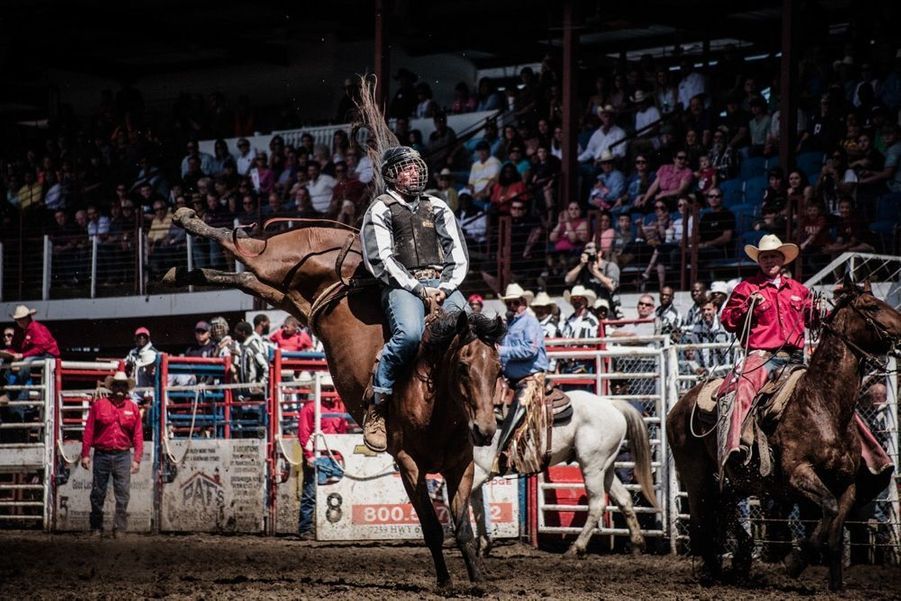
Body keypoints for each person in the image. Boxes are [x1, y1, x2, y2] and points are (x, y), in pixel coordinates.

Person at [360, 145, 469, 452]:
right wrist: (419, 289)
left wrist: (445, 288)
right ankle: (378, 405)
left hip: (442, 283)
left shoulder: (437, 205)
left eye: (415, 167)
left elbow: (457, 254)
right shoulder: (380, 209)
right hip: (401, 285)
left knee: (471, 332)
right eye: (406, 168)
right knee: (408, 335)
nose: (414, 173)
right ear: (392, 175)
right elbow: (380, 259)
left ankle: (486, 404)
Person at [719, 234, 818, 466]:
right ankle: (735, 444)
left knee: (831, 389)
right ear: (758, 261)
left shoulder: (799, 290)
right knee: (743, 386)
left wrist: (820, 310)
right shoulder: (746, 289)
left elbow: (814, 320)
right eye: (764, 257)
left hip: (796, 358)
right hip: (763, 357)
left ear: (783, 259)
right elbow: (728, 321)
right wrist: (746, 306)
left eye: (773, 256)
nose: (769, 260)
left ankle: (867, 455)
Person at [81, 371, 143, 537]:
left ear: (126, 388)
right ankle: (96, 527)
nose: (120, 388)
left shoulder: (133, 408)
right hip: (102, 453)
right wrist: (85, 454)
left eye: (123, 385)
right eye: (117, 385)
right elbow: (89, 430)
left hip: (123, 454)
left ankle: (120, 527)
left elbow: (138, 435)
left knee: (123, 493)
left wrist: (136, 459)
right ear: (112, 387)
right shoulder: (99, 405)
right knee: (98, 492)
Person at [297, 376, 348, 539]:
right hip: (318, 457)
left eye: (330, 389)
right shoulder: (310, 408)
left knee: (335, 491)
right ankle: (305, 528)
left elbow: (342, 433)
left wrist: (341, 456)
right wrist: (309, 456)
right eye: (325, 389)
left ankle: (331, 527)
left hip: (333, 458)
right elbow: (303, 433)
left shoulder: (338, 409)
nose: (328, 392)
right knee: (310, 493)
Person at [0, 305, 60, 406]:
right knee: (6, 361)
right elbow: (15, 347)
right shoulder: (19, 330)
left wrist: (22, 354)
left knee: (26, 363)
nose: (19, 322)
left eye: (21, 319)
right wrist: (7, 353)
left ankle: (10, 394)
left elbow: (41, 347)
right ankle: (6, 391)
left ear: (28, 317)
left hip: (48, 354)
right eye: (18, 320)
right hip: (33, 354)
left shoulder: (36, 328)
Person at [563, 241, 619, 308]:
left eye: (591, 252)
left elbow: (613, 286)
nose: (589, 255)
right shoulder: (583, 267)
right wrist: (581, 265)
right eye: (586, 253)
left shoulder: (610, 266)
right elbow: (567, 280)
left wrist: (595, 272)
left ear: (599, 253)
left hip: (606, 309)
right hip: (589, 310)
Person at [124, 326, 157, 407]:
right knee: (129, 406)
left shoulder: (152, 352)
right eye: (139, 336)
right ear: (135, 338)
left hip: (150, 388)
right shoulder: (133, 352)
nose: (142, 338)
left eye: (144, 336)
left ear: (148, 339)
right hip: (135, 389)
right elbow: (124, 362)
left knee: (152, 407)